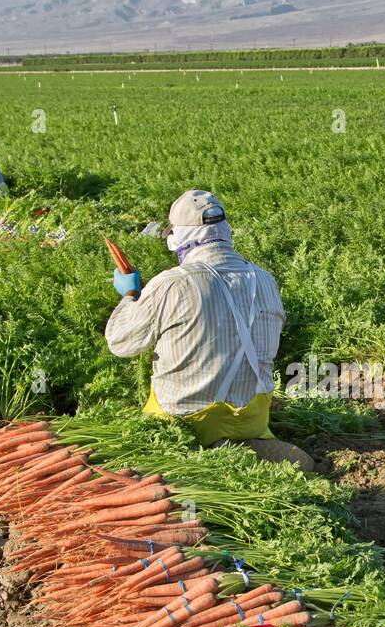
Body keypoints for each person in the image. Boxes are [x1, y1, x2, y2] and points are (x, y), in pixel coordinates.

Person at [104, 190, 310, 468]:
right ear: (225, 231)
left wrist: (129, 295)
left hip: (183, 423)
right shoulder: (264, 280)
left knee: (162, 431)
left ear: (178, 238)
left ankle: (198, 448)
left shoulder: (171, 284)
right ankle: (244, 445)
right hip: (250, 420)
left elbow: (121, 343)